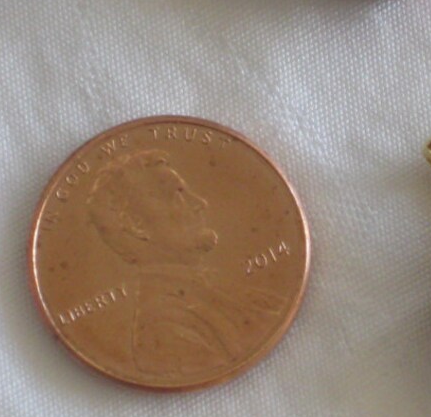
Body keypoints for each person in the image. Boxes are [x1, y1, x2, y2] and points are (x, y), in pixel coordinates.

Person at [84, 150, 286, 379]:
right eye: (177, 194)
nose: (200, 203)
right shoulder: (165, 331)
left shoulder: (228, 294)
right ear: (136, 224)